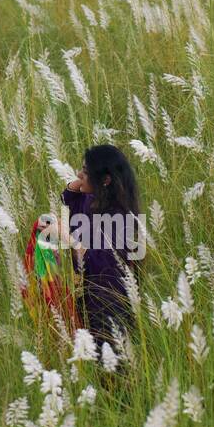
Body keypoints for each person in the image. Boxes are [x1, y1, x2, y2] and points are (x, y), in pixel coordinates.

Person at [61, 145, 143, 352]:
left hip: (108, 305)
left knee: (109, 367)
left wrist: (64, 236)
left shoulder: (121, 216)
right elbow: (71, 204)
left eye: (86, 172)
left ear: (105, 180)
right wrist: (73, 187)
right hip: (88, 298)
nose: (80, 174)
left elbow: (98, 261)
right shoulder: (94, 202)